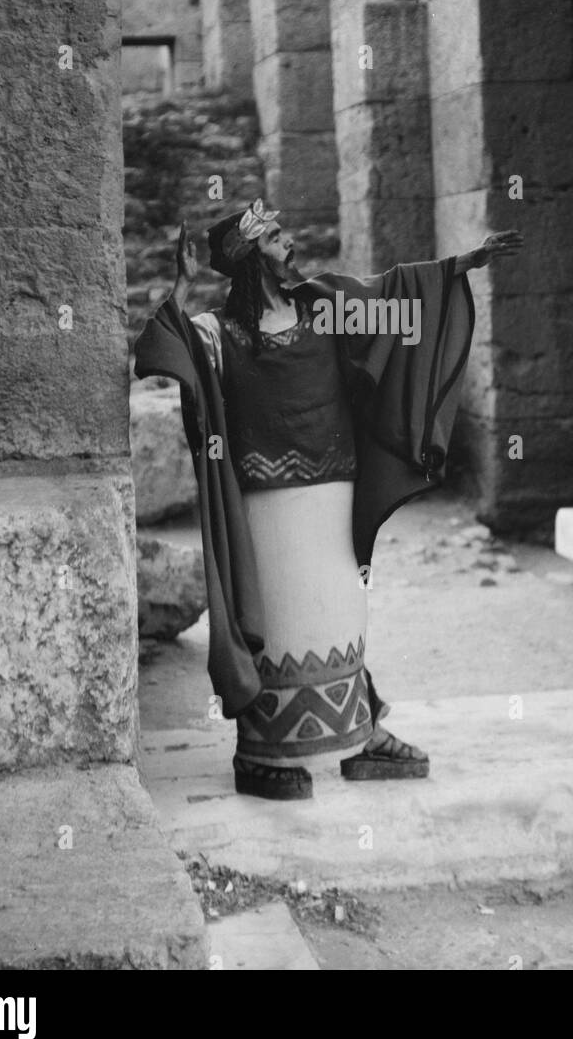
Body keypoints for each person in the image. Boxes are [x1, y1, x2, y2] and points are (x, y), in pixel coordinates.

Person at [135, 200, 522, 800]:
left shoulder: (325, 308)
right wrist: (182, 287)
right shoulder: (222, 333)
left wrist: (463, 265)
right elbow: (162, 351)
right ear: (247, 257)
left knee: (341, 611)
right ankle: (262, 754)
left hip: (334, 493)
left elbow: (395, 300)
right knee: (281, 617)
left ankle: (362, 736)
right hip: (265, 505)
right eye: (274, 237)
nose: (288, 243)